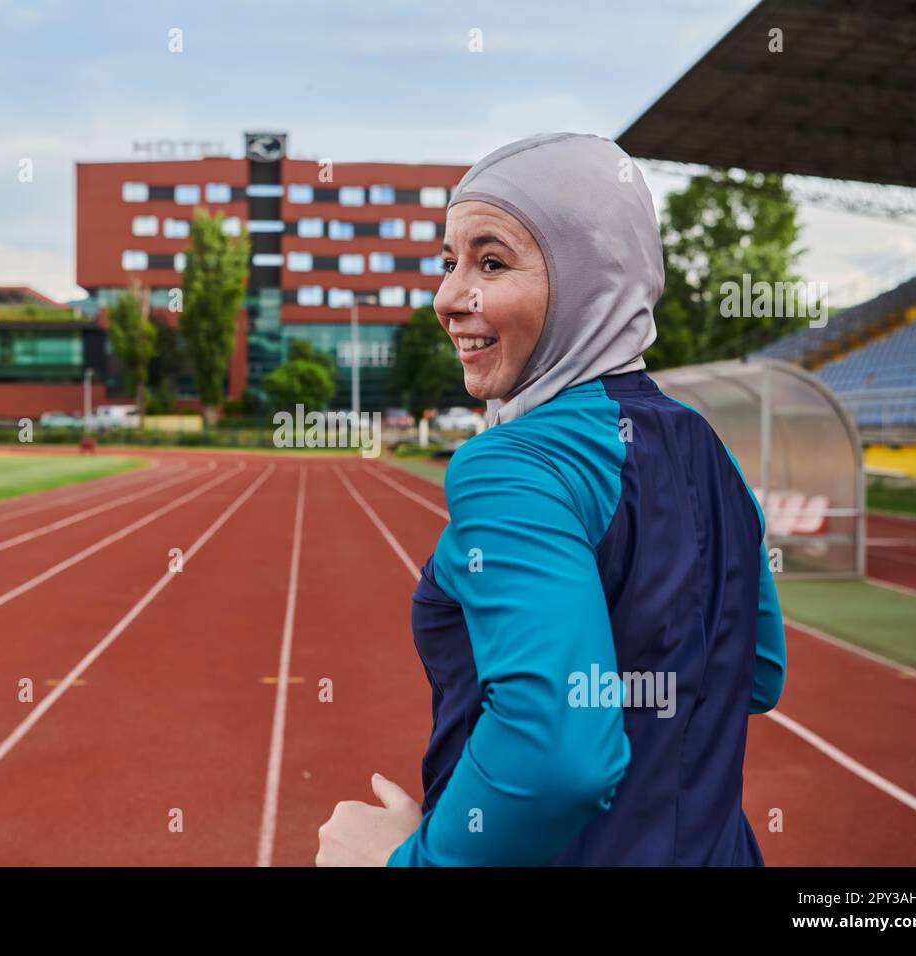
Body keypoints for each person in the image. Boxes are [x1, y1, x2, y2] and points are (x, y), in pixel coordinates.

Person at [315, 132, 786, 866]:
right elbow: (755, 673)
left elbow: (561, 756)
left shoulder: (512, 464)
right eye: (449, 263)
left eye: (491, 262)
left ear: (587, 278)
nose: (446, 298)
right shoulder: (707, 449)